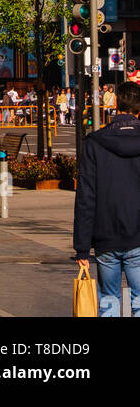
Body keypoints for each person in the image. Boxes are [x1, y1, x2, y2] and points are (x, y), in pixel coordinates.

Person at [74, 80, 140, 316]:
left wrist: (82, 248)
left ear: (115, 106)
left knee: (109, 301)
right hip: (138, 237)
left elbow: (86, 196)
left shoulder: (95, 142)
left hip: (105, 238)